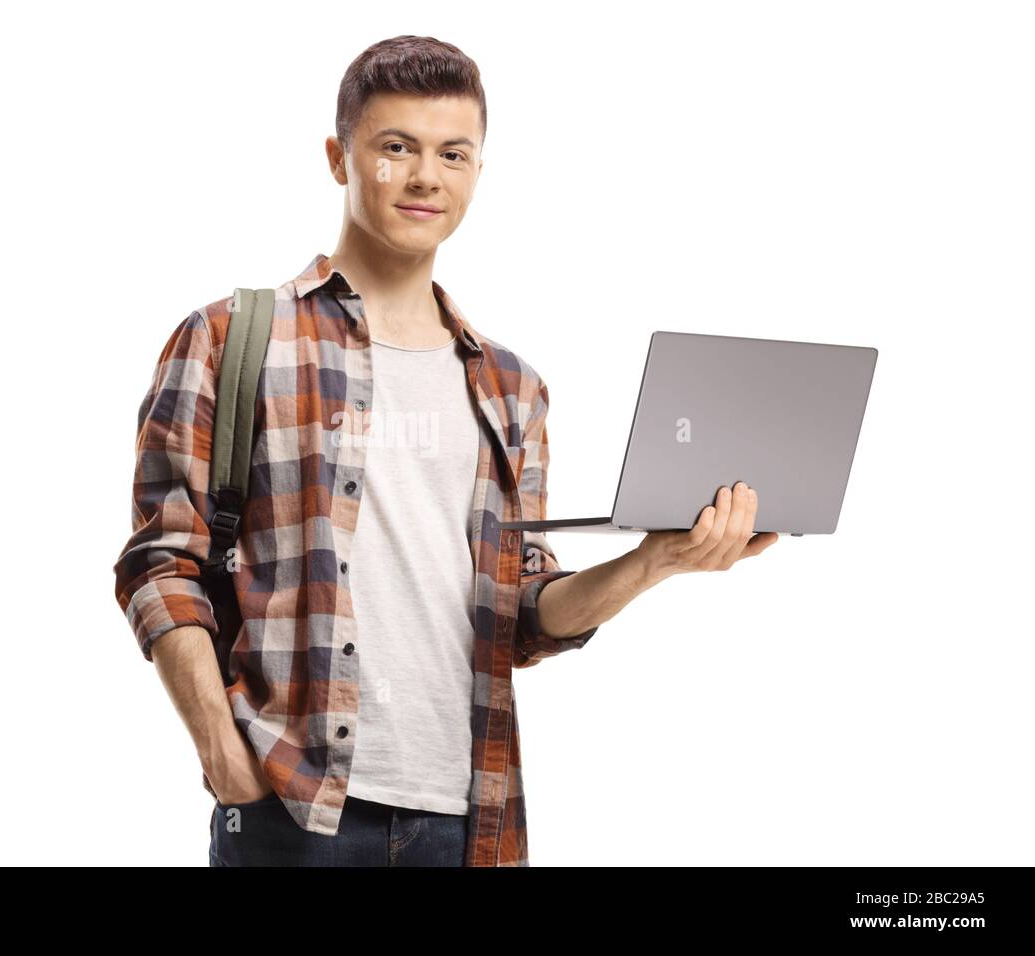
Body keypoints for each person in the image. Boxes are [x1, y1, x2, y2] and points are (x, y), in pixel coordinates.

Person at [112, 35, 779, 867]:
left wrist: (655, 562)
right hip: (292, 810)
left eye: (453, 153)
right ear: (339, 157)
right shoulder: (232, 338)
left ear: (475, 172)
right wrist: (222, 752)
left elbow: (523, 620)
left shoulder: (512, 388)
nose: (427, 175)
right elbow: (161, 564)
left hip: (469, 819)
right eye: (397, 147)